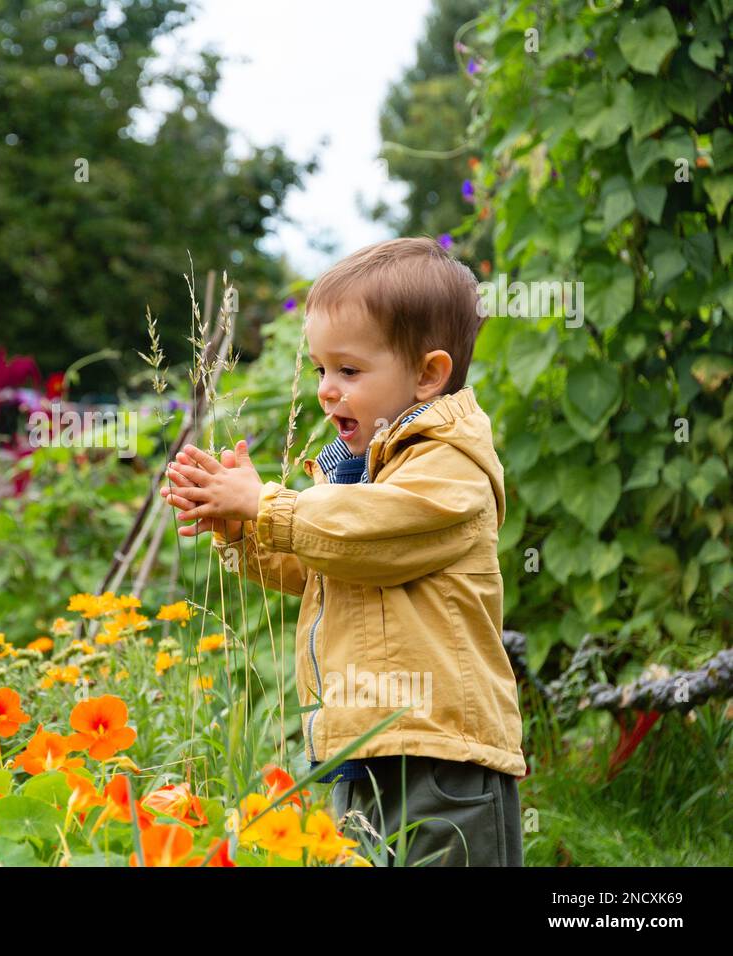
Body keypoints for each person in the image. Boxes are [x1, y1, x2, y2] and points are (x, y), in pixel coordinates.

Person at [160, 236, 525, 866]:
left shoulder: (449, 467)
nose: (328, 389)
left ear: (427, 374)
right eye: (322, 369)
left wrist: (266, 504)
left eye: (349, 370)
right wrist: (242, 528)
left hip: (441, 760)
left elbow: (366, 530)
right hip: (362, 751)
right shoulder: (356, 473)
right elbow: (320, 559)